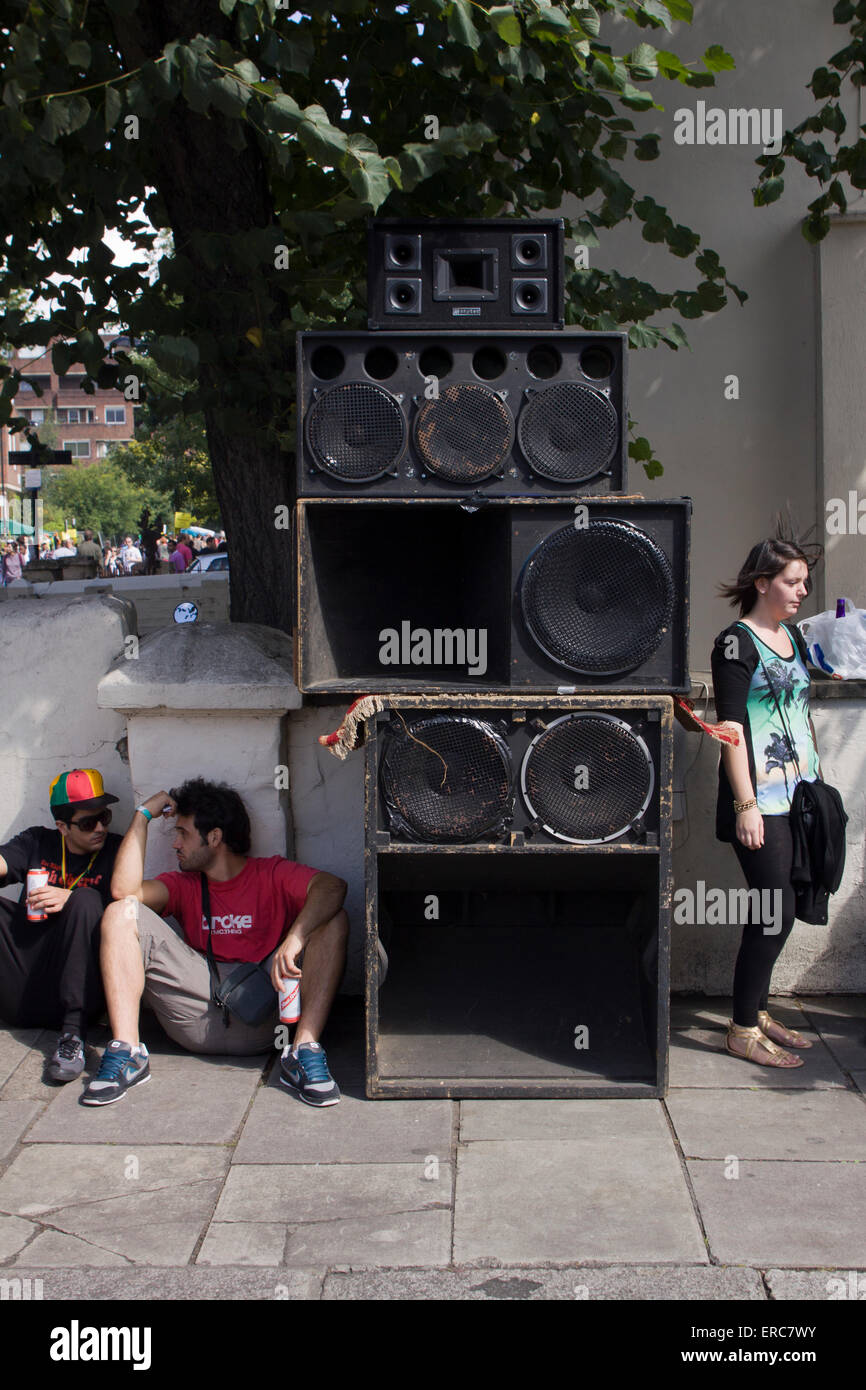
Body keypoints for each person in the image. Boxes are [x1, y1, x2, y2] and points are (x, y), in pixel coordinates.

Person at [82, 779, 349, 1108]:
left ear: (215, 837)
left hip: (263, 1012)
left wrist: (295, 937)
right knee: (120, 913)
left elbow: (332, 887)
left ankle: (304, 1051)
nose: (175, 844)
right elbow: (124, 892)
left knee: (332, 920)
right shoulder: (184, 885)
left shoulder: (271, 873)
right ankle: (127, 1051)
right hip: (196, 1011)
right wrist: (142, 815)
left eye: (183, 833)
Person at [711, 536, 823, 1069]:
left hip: (802, 796)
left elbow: (802, 710)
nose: (802, 590)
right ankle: (740, 1029)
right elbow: (729, 729)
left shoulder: (793, 637)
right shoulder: (735, 643)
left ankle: (756, 1013)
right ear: (762, 584)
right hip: (760, 801)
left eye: (803, 581)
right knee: (771, 910)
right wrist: (745, 805)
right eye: (792, 581)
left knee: (789, 905)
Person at [0, 770, 122, 1081]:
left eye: (104, 817)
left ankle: (72, 1039)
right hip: (23, 981)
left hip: (78, 991)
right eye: (87, 822)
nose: (100, 828)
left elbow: (133, 909)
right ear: (62, 827)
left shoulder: (116, 851)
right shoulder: (37, 842)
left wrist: (70, 898)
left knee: (86, 901)